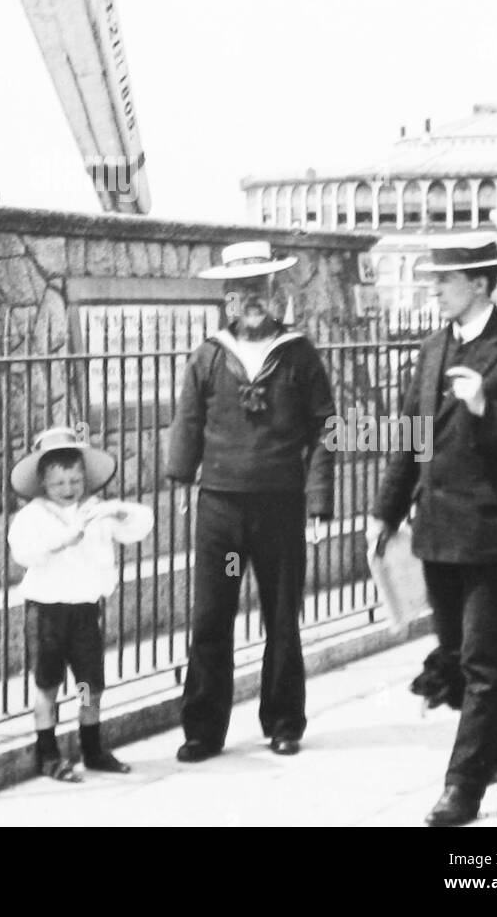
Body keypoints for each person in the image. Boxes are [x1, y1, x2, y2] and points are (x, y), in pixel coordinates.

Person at [370, 236, 497, 828]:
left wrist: (487, 408)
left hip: (490, 532)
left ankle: (463, 787)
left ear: (478, 284)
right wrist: (385, 512)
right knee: (459, 660)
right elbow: (412, 435)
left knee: (482, 664)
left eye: (442, 281)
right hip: (435, 531)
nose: (432, 289)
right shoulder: (433, 348)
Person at [165, 241, 336, 762]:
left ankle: (283, 722)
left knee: (282, 619)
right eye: (241, 291)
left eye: (260, 288)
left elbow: (325, 429)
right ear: (227, 299)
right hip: (220, 511)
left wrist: (318, 500)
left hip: (279, 509)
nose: (252, 299)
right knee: (212, 617)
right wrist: (179, 481)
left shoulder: (300, 354)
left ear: (275, 292)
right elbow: (188, 422)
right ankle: (202, 731)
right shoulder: (208, 355)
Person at [7, 425, 154, 781]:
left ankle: (92, 747)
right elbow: (23, 552)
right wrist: (61, 541)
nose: (68, 489)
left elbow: (139, 526)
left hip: (85, 610)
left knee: (89, 682)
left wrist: (114, 511)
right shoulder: (33, 517)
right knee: (48, 682)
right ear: (43, 482)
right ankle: (48, 753)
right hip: (48, 611)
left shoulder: (95, 510)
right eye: (59, 484)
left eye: (74, 480)